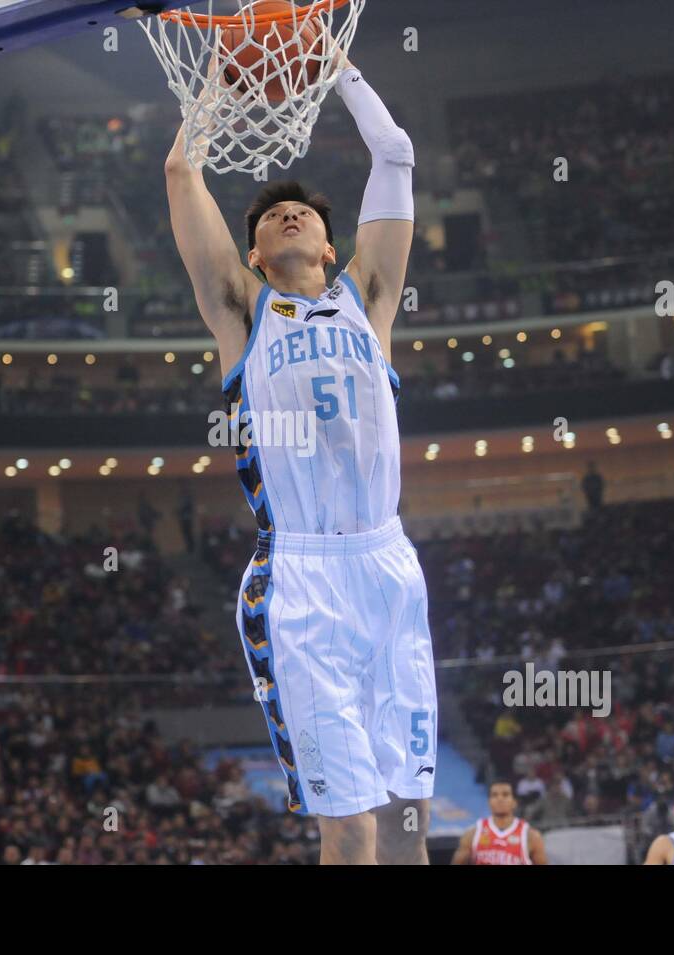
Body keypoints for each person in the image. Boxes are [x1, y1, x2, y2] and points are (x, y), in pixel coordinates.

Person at [165, 45, 434, 864]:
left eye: (304, 214)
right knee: (349, 825)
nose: (287, 215)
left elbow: (395, 154)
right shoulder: (239, 316)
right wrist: (220, 75)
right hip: (300, 579)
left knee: (408, 816)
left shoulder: (369, 297)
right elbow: (183, 171)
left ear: (329, 245)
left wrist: (336, 65)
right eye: (268, 218)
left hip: (389, 563)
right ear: (251, 257)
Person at [451, 780, 548, 865]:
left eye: (505, 794)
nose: (500, 799)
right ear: (489, 801)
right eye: (494, 795)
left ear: (514, 802)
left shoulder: (531, 836)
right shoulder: (473, 834)